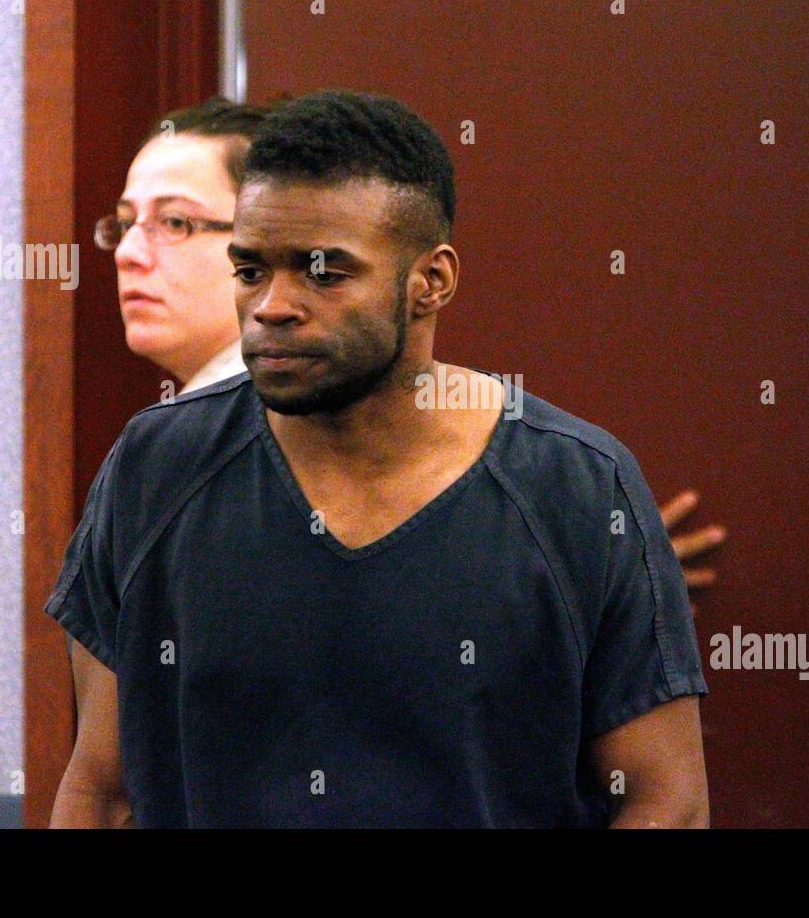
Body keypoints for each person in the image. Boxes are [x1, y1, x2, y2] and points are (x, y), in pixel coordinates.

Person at [48, 91, 711, 827]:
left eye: (323, 273)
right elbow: (100, 787)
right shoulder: (154, 468)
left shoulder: (576, 486)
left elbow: (667, 802)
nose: (272, 305)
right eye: (251, 270)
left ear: (432, 281)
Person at [103, 96, 727, 591]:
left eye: (176, 221)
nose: (129, 252)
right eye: (127, 224)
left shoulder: (563, 478)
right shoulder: (155, 461)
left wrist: (586, 555)